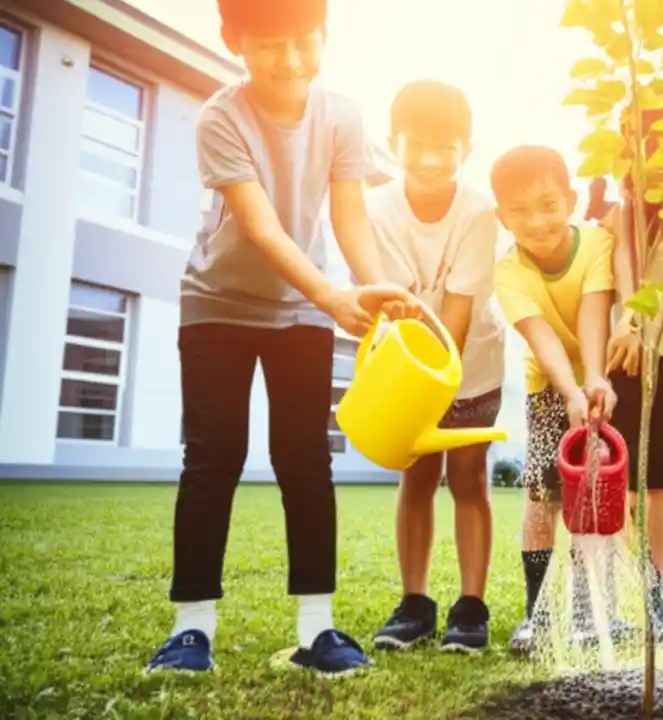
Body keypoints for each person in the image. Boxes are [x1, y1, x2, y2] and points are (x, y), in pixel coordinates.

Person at [145, 0, 420, 676]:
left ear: (324, 35)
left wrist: (375, 288)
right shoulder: (219, 118)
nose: (291, 60)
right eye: (270, 45)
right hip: (216, 303)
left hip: (301, 309)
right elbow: (262, 226)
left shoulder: (342, 116)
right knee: (213, 456)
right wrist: (332, 294)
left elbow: (348, 214)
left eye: (305, 41)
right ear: (232, 40)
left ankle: (316, 632)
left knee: (304, 459)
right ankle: (191, 632)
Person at [365, 80, 504, 654]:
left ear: (466, 149)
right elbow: (397, 301)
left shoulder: (479, 211)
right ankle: (415, 603)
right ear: (391, 141)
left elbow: (459, 309)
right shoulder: (374, 209)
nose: (428, 158)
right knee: (417, 477)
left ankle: (470, 608)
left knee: (467, 478)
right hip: (405, 365)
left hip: (470, 362)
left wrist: (439, 382)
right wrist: (414, 391)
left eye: (444, 146)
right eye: (415, 142)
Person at [489, 145, 620, 656]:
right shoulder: (508, 272)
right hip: (549, 388)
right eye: (519, 212)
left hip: (602, 377)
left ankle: (589, 610)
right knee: (542, 496)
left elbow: (594, 314)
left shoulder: (597, 244)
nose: (537, 221)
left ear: (568, 199)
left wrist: (594, 382)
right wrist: (569, 391)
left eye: (547, 204)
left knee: (597, 496)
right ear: (502, 216)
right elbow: (541, 339)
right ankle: (536, 613)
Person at [588, 108, 663, 644]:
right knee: (622, 474)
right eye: (642, 143)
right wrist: (631, 322)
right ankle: (619, 590)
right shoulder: (620, 213)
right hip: (630, 353)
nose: (656, 156)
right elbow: (622, 265)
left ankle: (659, 591)